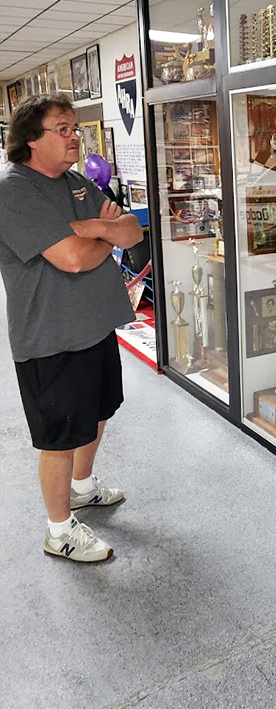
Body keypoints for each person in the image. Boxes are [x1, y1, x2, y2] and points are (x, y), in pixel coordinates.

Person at [0, 94, 143, 563]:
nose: (75, 137)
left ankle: (82, 487)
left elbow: (132, 232)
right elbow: (74, 259)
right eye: (62, 129)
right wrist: (101, 232)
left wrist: (91, 228)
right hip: (51, 337)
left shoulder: (77, 182)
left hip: (95, 325)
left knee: (97, 413)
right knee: (59, 438)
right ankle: (59, 531)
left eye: (74, 128)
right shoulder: (13, 190)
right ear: (30, 139)